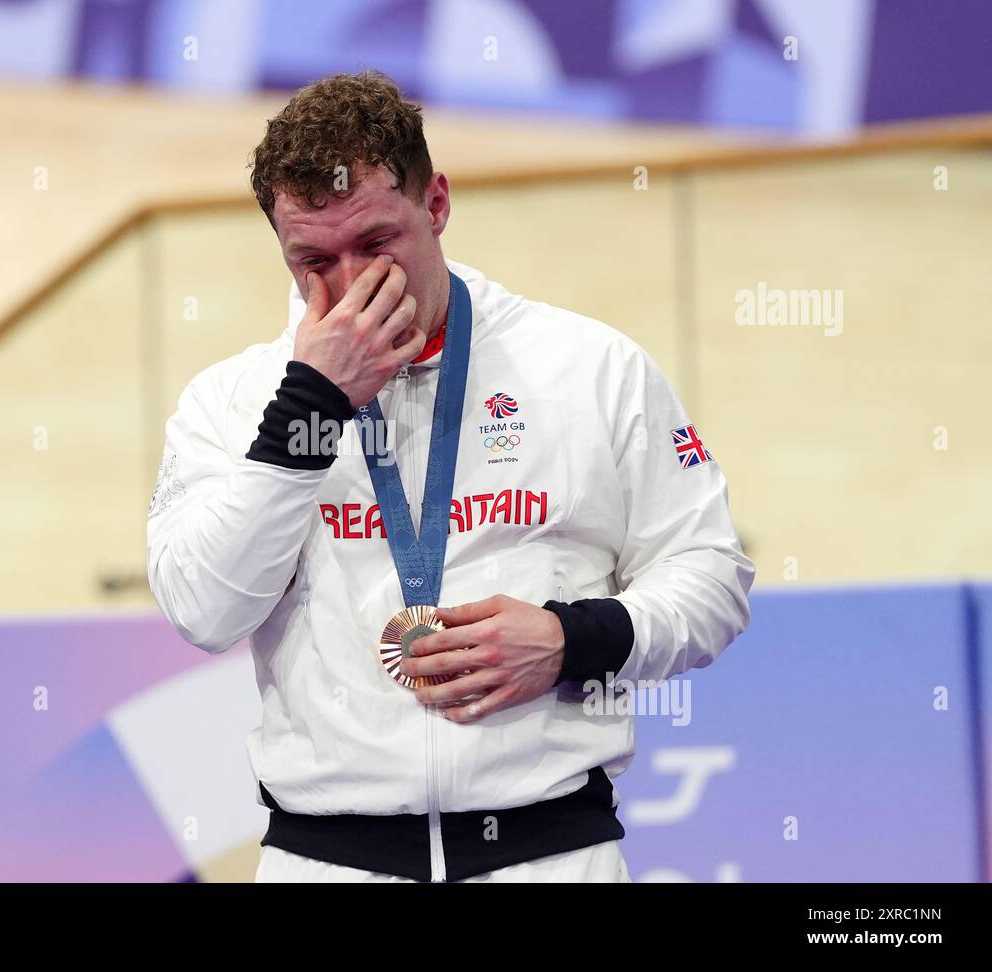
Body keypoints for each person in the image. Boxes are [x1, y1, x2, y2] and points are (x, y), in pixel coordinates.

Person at [147, 71, 754, 883]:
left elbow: (713, 577)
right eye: (313, 260)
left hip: (554, 855)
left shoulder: (589, 368)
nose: (352, 281)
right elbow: (205, 612)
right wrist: (313, 406)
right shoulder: (232, 402)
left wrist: (574, 639)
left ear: (435, 204)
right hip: (326, 861)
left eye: (375, 242)